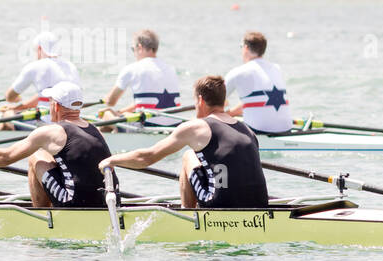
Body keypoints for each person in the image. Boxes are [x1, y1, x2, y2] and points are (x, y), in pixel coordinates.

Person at [99, 75, 268, 209]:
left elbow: (148, 158)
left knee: (189, 155)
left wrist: (112, 160)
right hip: (260, 204)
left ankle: (188, 214)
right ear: (223, 101)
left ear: (200, 100)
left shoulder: (196, 127)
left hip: (219, 204)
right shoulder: (247, 129)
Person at [0, 81, 109, 208]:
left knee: (36, 157)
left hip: (73, 203)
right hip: (105, 202)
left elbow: (5, 157)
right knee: (47, 154)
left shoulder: (52, 132)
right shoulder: (95, 129)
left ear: (55, 106)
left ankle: (42, 216)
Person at [223, 31, 291, 133]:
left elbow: (213, 101)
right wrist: (230, 113)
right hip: (286, 128)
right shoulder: (276, 68)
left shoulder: (238, 72)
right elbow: (258, 100)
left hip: (258, 131)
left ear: (245, 48)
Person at [104, 28, 182, 113]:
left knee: (106, 114)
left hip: (147, 124)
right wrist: (120, 112)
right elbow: (148, 102)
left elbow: (111, 102)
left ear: (140, 47)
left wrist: (106, 99)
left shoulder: (131, 69)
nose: (133, 53)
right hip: (175, 124)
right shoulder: (171, 69)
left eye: (133, 49)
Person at [5, 30, 79, 114]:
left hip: (47, 119)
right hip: (72, 117)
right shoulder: (71, 66)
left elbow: (9, 97)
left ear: (39, 48)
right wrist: (21, 107)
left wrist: (16, 99)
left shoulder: (35, 66)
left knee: (7, 114)